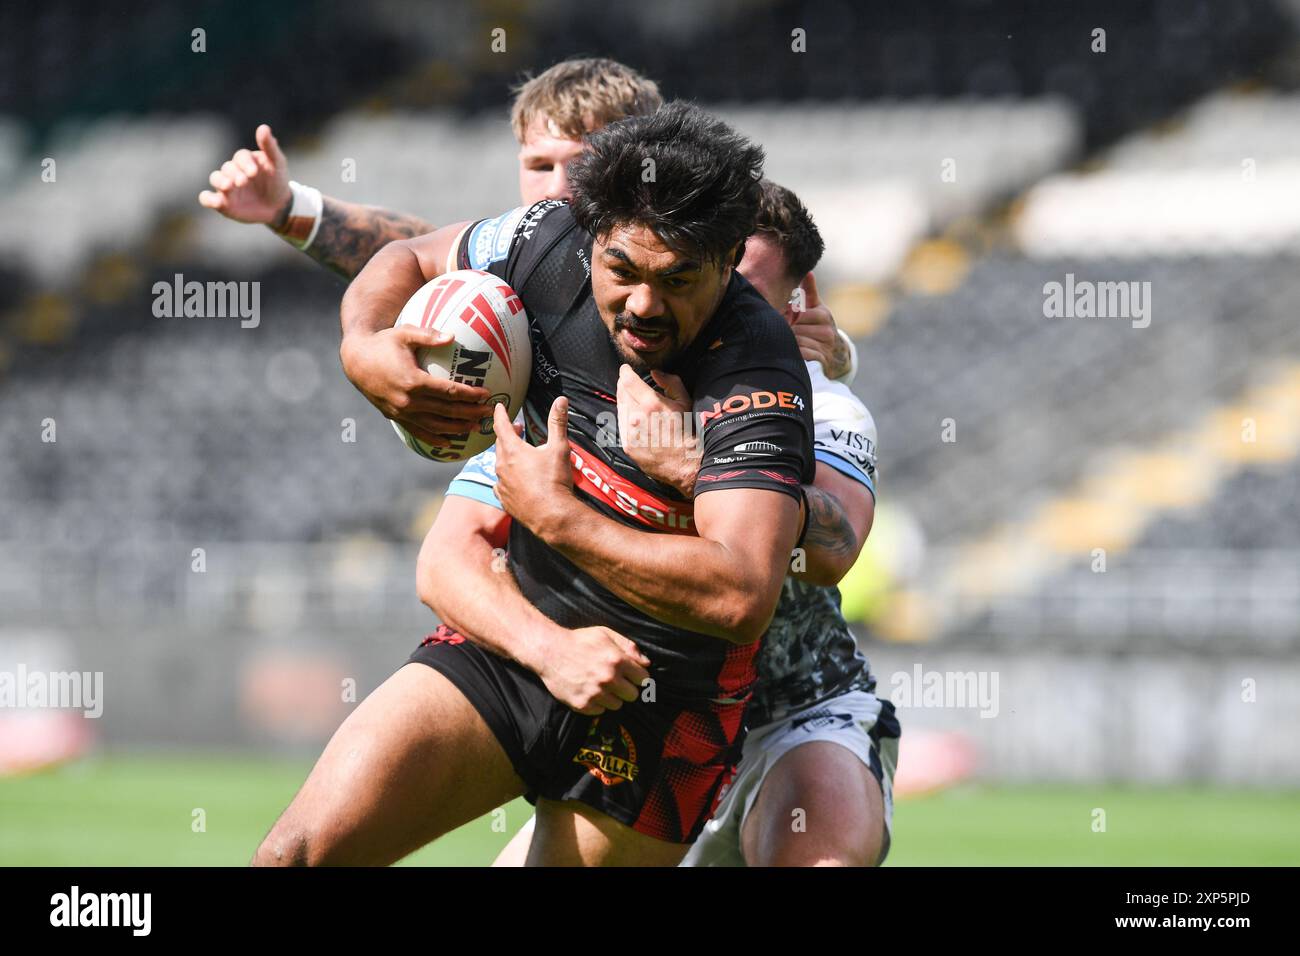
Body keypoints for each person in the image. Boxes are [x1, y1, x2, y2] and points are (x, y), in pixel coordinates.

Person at [254, 102, 816, 866]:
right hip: (514, 650)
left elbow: (742, 593)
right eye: (622, 270)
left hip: (666, 703)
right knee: (294, 856)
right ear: (589, 238)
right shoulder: (544, 237)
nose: (645, 304)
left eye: (679, 279)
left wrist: (560, 518)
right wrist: (363, 346)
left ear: (726, 260)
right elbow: (414, 258)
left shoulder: (757, 367)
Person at [469, 182, 898, 867]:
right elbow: (445, 252)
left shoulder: (826, 407)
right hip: (652, 721)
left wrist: (700, 468)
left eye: (745, 292)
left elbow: (831, 549)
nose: (714, 315)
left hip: (792, 715)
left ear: (797, 296)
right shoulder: (593, 373)